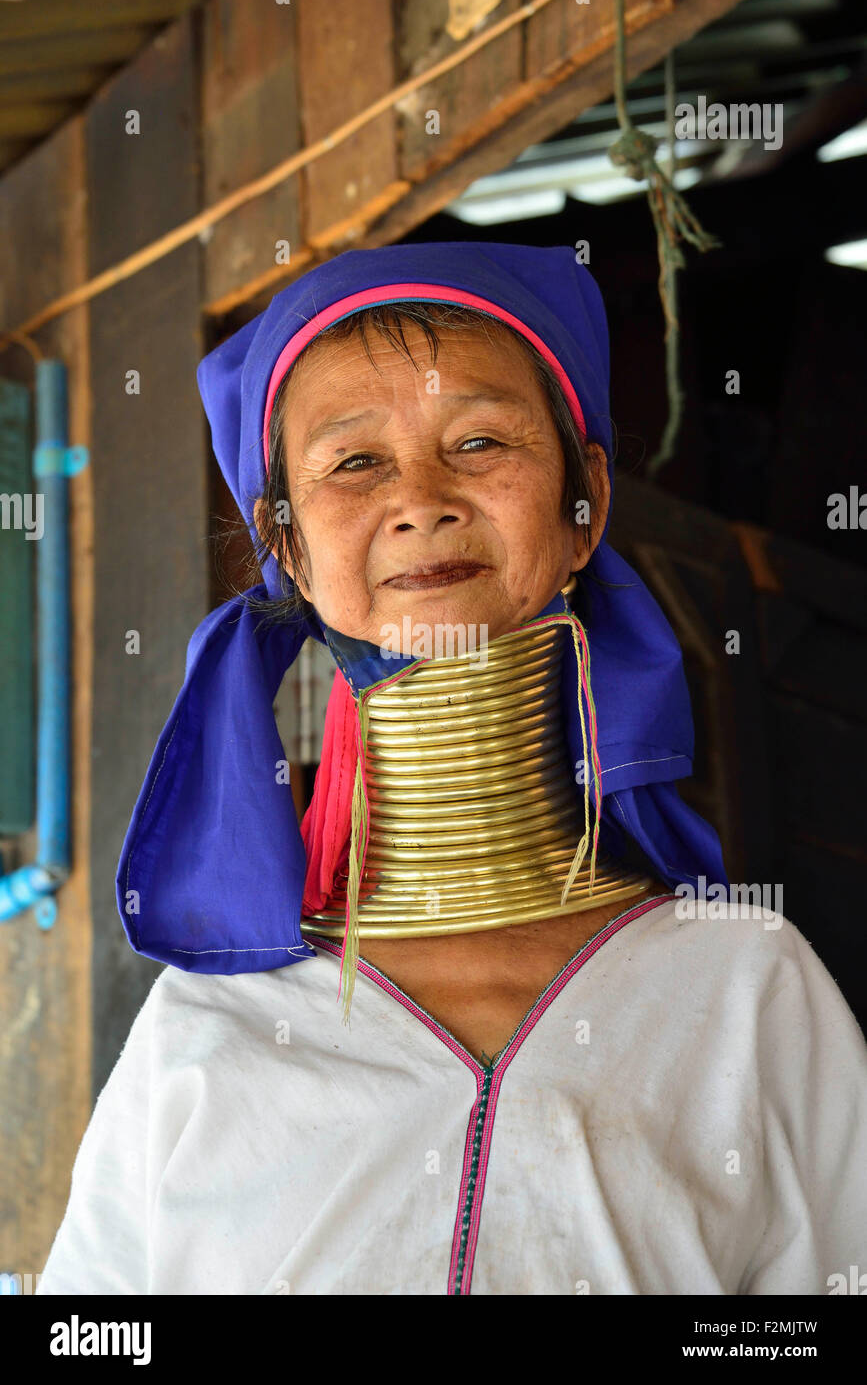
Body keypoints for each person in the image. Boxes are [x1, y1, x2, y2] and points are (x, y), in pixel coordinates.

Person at [36, 243, 867, 1295]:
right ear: (283, 543)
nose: (421, 499)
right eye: (353, 463)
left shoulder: (745, 990)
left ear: (585, 505)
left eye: (480, 441)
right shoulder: (208, 1031)